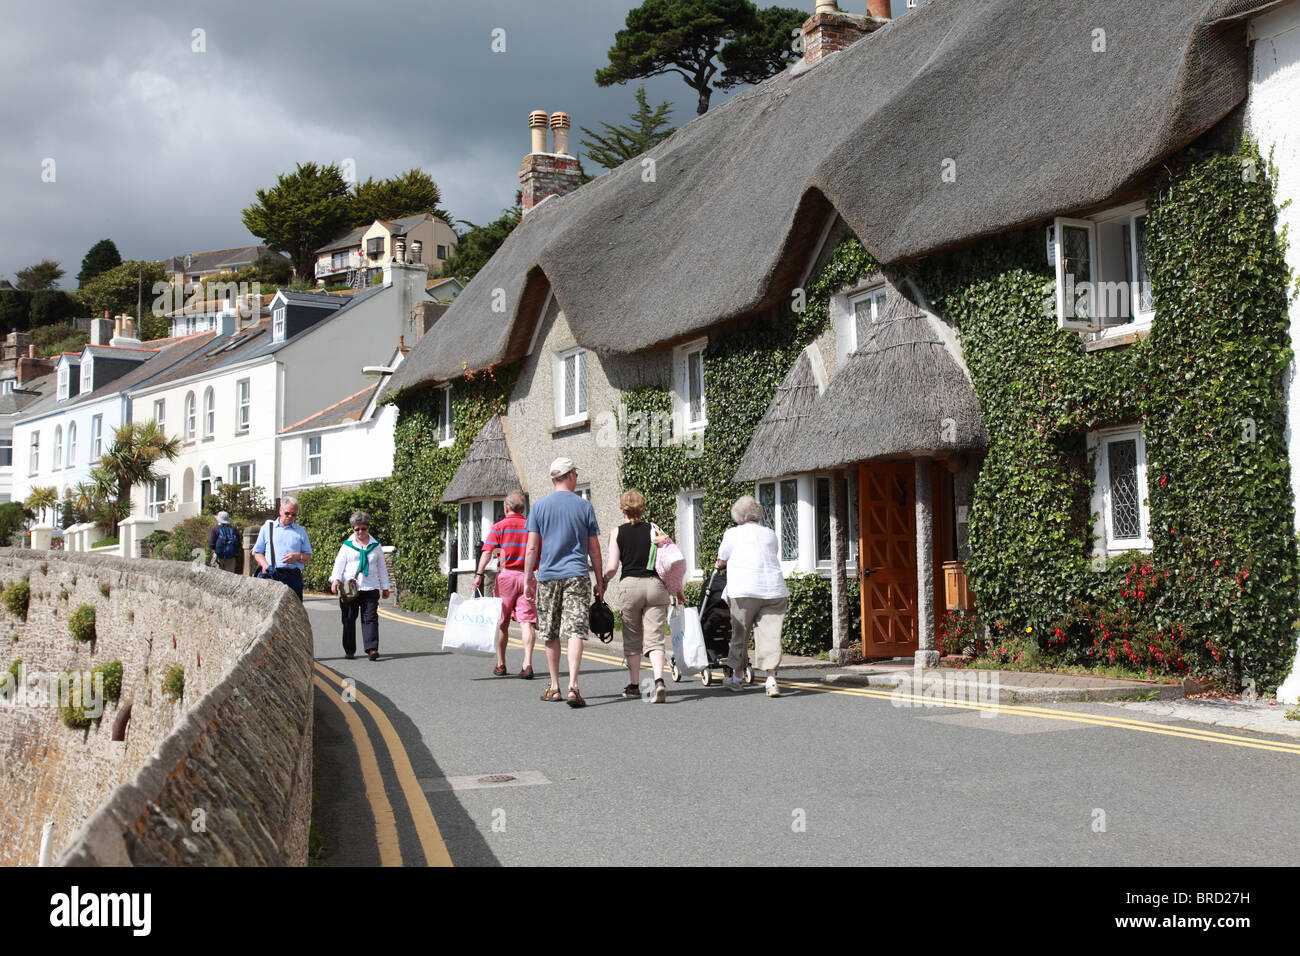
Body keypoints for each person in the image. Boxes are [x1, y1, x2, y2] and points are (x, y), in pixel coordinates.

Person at [523, 457, 603, 708]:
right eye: (576, 475)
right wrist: (600, 581)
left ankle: (555, 685)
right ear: (569, 476)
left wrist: (527, 579)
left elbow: (532, 547)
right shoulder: (584, 506)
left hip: (548, 577)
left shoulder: (539, 506)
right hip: (577, 575)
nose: (576, 479)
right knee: (576, 630)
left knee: (550, 630)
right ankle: (574, 687)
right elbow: (594, 549)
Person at [602, 489, 684, 703]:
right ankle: (658, 681)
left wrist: (604, 581)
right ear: (643, 508)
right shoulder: (655, 529)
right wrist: (678, 590)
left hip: (629, 587)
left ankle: (635, 685)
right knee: (655, 637)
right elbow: (669, 560)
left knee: (632, 637)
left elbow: (612, 567)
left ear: (623, 510)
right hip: (656, 585)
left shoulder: (616, 533)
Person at [716, 495, 789, 697]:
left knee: (741, 633)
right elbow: (772, 552)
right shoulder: (770, 533)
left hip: (744, 590)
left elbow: (722, 558)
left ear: (738, 516)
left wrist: (720, 564)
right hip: (774, 590)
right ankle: (771, 680)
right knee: (770, 635)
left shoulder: (732, 534)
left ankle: (737, 678)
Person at [472, 491, 538, 678]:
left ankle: (501, 664)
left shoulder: (499, 527)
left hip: (506, 577)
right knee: (527, 622)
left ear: (506, 508)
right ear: (523, 509)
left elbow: (486, 552)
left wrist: (479, 574)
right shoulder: (531, 527)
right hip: (527, 577)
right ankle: (527, 664)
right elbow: (537, 553)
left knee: (503, 622)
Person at [329, 511, 390, 661]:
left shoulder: (376, 546)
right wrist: (335, 580)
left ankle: (371, 649)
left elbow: (382, 567)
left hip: (370, 588)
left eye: (363, 528)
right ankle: (350, 650)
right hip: (350, 588)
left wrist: (385, 586)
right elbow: (339, 564)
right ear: (353, 529)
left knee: (370, 619)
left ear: (368, 528)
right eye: (357, 529)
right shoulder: (347, 546)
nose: (360, 532)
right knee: (348, 619)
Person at [252, 496, 312, 601]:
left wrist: (297, 556)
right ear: (280, 510)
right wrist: (265, 566)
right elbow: (257, 553)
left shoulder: (300, 531)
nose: (290, 517)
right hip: (273, 575)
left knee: (294, 612)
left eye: (294, 515)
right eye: (287, 513)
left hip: (293, 577)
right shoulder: (267, 528)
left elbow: (307, 557)